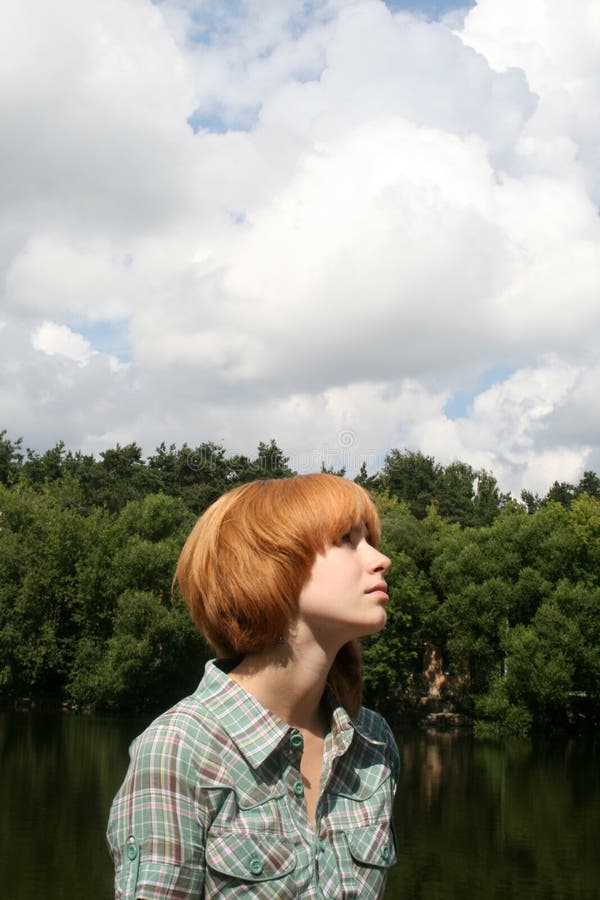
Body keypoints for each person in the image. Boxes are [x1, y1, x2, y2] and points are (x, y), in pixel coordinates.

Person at [107, 473, 399, 899]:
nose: (380, 558)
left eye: (369, 539)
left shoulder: (373, 744)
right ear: (273, 567)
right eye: (346, 540)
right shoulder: (179, 750)